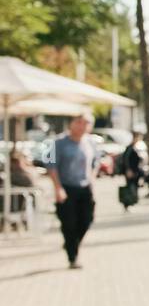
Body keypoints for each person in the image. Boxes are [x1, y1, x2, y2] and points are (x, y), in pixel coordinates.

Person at [44, 112, 101, 268]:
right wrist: (57, 188)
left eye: (86, 123)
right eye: (79, 122)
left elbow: (96, 162)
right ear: (71, 123)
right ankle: (72, 257)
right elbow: (50, 166)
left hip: (84, 188)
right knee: (69, 223)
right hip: (66, 188)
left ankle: (72, 242)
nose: (82, 126)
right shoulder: (57, 143)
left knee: (86, 220)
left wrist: (92, 179)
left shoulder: (91, 143)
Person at [119, 131, 144, 211]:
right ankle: (127, 203)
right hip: (130, 171)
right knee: (129, 187)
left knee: (133, 186)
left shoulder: (135, 147)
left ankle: (132, 202)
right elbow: (126, 160)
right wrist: (128, 169)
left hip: (135, 171)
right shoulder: (130, 148)